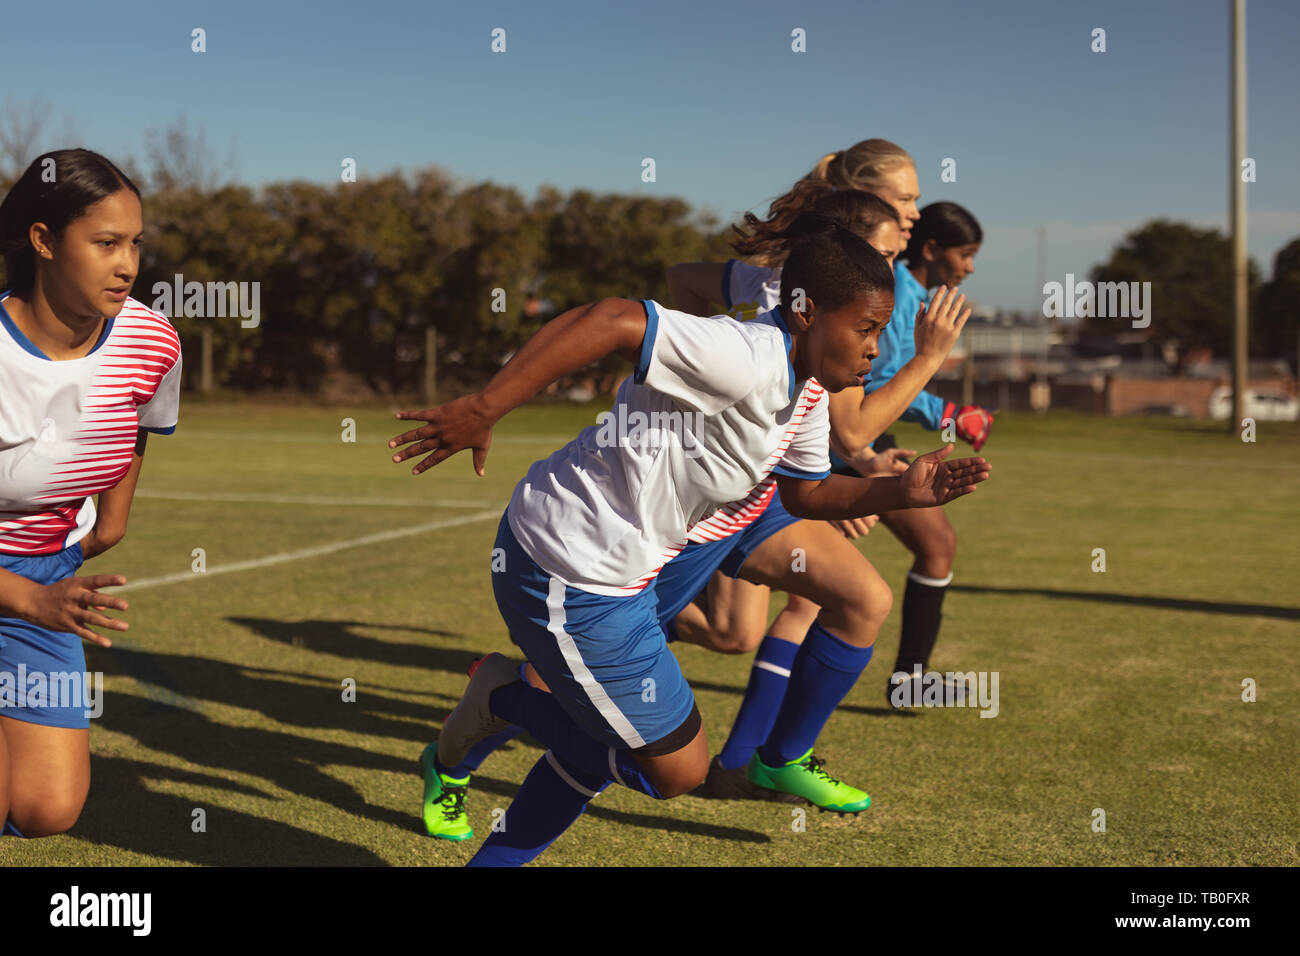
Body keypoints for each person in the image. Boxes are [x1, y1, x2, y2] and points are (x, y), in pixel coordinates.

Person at [391, 217, 990, 864]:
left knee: (603, 749)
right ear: (808, 314)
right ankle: (501, 697)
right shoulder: (748, 356)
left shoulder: (810, 392)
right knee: (674, 770)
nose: (876, 349)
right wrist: (486, 408)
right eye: (866, 329)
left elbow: (807, 495)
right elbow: (611, 318)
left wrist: (901, 490)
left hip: (616, 577)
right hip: (567, 565)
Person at [0, 149, 181, 838]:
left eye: (135, 243)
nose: (128, 264)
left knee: (46, 811)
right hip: (28, 594)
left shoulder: (151, 339)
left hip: (46, 580)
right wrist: (30, 598)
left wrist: (114, 518)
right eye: (106, 243)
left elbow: (139, 419)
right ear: (44, 241)